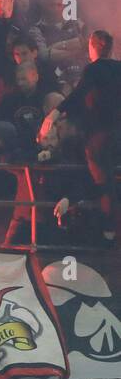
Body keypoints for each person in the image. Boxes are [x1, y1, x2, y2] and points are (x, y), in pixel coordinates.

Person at [38, 30, 121, 241]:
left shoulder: (93, 70)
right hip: (116, 133)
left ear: (93, 47)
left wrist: (54, 113)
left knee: (102, 179)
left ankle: (108, 231)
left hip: (99, 135)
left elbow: (79, 94)